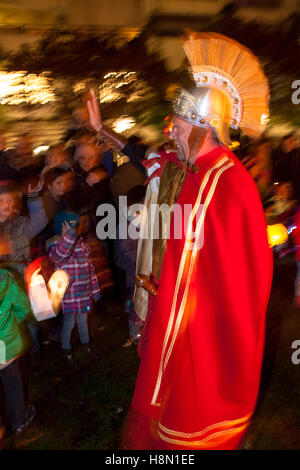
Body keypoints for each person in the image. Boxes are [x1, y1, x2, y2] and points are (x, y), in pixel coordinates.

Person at [88, 32, 273, 450]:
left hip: (202, 331)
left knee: (186, 421)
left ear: (206, 127)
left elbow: (236, 276)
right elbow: (146, 156)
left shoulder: (230, 183)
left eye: (181, 123)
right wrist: (103, 132)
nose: (172, 130)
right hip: (173, 316)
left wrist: (177, 293)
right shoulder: (185, 164)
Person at [46, 210, 101, 368]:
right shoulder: (55, 245)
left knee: (83, 321)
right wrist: (67, 236)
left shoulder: (82, 246)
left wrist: (95, 292)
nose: (73, 230)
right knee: (69, 323)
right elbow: (60, 256)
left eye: (75, 226)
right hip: (69, 295)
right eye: (69, 226)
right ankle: (66, 351)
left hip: (83, 294)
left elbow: (90, 270)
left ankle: (86, 346)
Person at [0, 268, 36, 438]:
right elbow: (23, 307)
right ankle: (19, 423)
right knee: (13, 384)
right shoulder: (6, 282)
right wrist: (14, 320)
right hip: (5, 347)